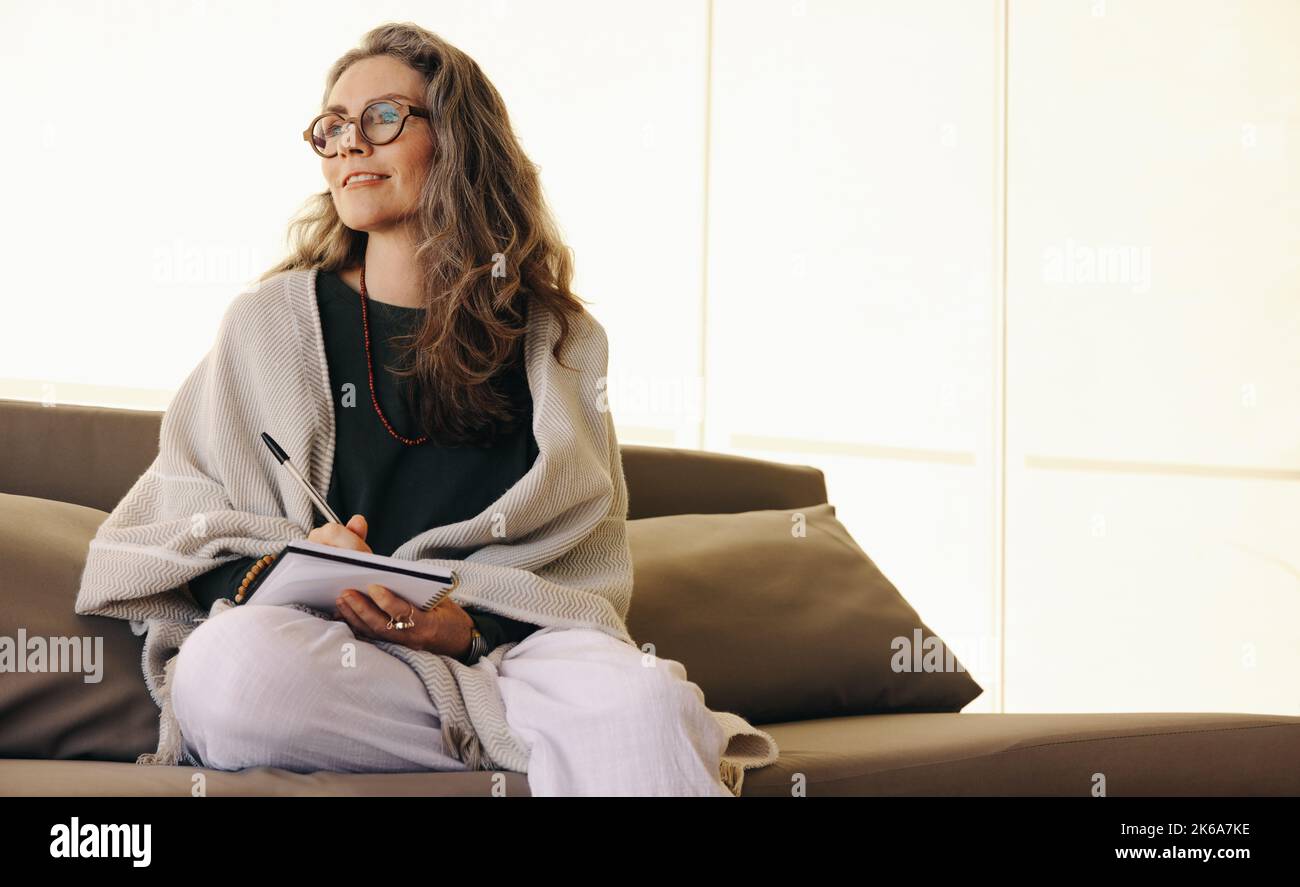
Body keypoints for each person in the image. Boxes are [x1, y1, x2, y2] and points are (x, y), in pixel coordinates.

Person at [164, 22, 736, 796]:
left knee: (648, 698)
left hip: (510, 657)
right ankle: (536, 748)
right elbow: (188, 523)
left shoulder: (559, 340)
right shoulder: (266, 324)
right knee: (227, 676)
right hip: (335, 652)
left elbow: (583, 565)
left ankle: (527, 730)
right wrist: (294, 564)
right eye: (331, 127)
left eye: (382, 118)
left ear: (458, 141)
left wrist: (468, 626)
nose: (348, 145)